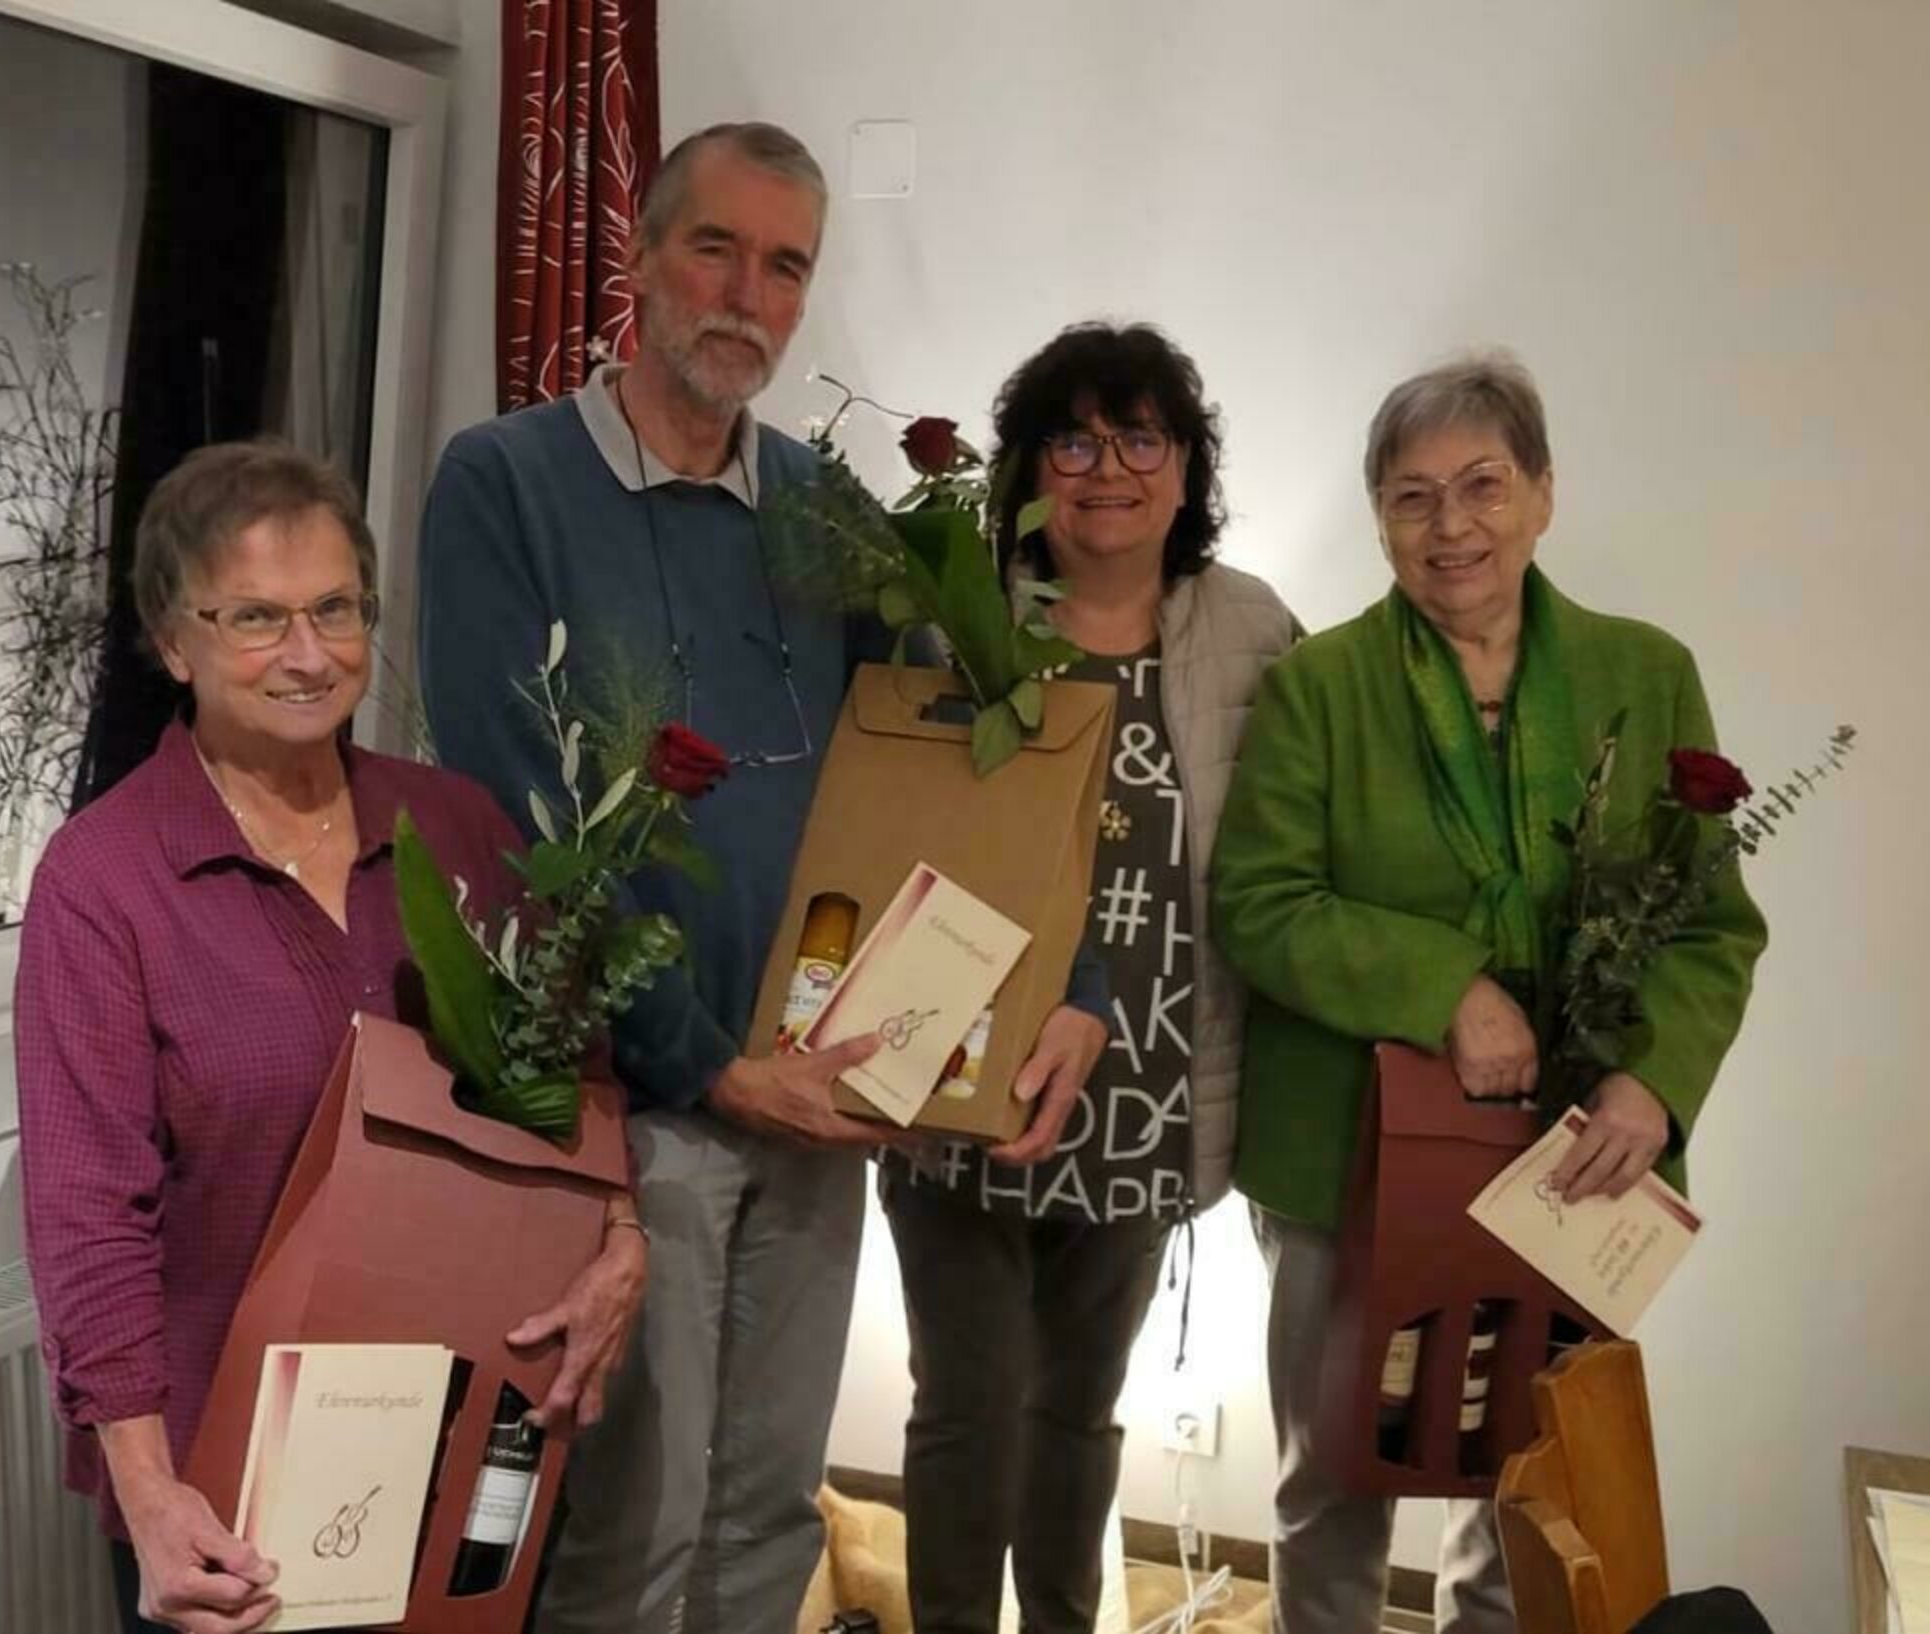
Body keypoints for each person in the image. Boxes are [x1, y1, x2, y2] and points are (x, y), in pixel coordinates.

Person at [418, 122, 1110, 1634]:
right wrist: (710, 1064)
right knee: (627, 1529)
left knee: (763, 1520)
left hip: (819, 1093)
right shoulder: (504, 484)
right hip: (628, 1106)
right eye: (714, 247)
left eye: (784, 265)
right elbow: (510, 823)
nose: (746, 292)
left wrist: (1074, 988)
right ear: (639, 258)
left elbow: (976, 767)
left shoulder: (828, 515)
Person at [14, 443, 646, 1634]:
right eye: (254, 616)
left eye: (334, 608)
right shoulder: (105, 880)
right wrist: (150, 1497)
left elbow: (577, 1075)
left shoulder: (454, 823)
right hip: (226, 1476)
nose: (308, 655)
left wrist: (620, 1232)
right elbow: (88, 1216)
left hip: (461, 1431)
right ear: (172, 638)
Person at [1210, 354, 1767, 1634]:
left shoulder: (1646, 672)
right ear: (1378, 518)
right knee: (1334, 1477)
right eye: (1412, 498)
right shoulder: (1321, 686)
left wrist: (1653, 1076)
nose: (1450, 526)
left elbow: (1708, 921)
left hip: (1568, 1153)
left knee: (1521, 1473)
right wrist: (1444, 984)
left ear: (1542, 496)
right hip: (1346, 1154)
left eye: (1481, 486)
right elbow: (1260, 902)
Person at [879, 322, 1299, 1634]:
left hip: (1150, 1096)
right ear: (1027, 466)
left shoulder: (1250, 627)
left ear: (1185, 468)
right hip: (967, 1077)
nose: (1107, 465)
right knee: (971, 1398)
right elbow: (889, 826)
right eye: (1073, 435)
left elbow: (1292, 841)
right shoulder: (957, 612)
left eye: (1140, 436)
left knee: (1074, 1410)